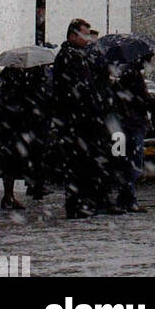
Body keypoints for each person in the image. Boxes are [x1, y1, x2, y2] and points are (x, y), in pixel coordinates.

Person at [50, 19, 108, 219]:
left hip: (84, 122)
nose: (87, 39)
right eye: (84, 35)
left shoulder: (80, 57)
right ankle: (77, 205)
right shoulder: (67, 58)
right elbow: (71, 92)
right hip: (76, 123)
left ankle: (83, 202)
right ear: (72, 36)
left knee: (85, 164)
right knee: (76, 165)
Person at [0, 64, 51, 209]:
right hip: (12, 125)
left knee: (10, 162)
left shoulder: (10, 75)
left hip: (11, 125)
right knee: (11, 161)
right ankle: (9, 196)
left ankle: (10, 196)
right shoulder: (16, 77)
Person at [113, 58, 151, 212]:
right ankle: (128, 198)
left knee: (125, 162)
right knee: (132, 163)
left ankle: (125, 198)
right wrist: (148, 101)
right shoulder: (133, 77)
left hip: (124, 125)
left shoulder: (124, 77)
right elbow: (138, 101)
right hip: (132, 125)